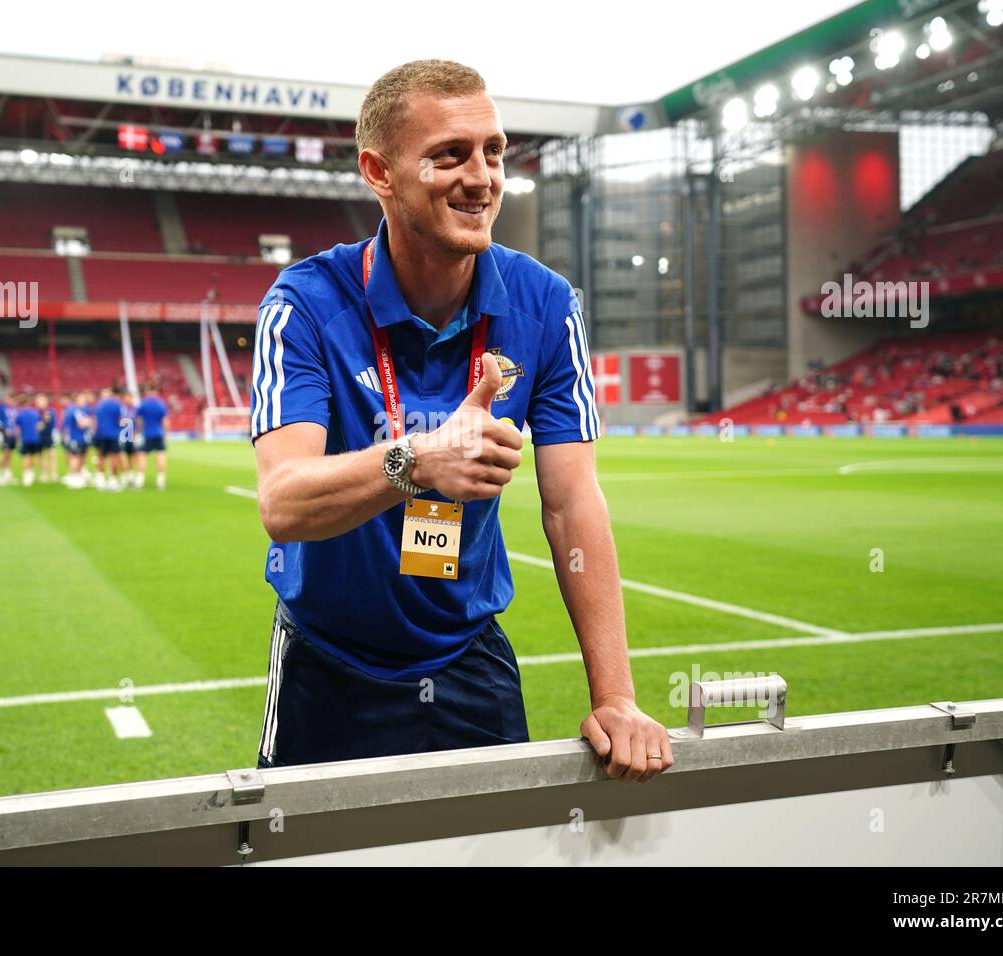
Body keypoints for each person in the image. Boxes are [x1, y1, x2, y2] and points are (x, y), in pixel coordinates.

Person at [249, 60, 672, 783]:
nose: (482, 177)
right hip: (329, 665)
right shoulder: (305, 304)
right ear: (379, 172)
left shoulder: (545, 304)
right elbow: (283, 501)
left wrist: (617, 698)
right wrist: (411, 462)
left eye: (494, 151)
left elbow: (572, 505)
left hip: (470, 659)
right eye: (449, 154)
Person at [135, 382, 168, 490]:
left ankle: (140, 481)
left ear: (147, 391)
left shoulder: (143, 404)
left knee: (142, 457)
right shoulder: (161, 404)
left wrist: (138, 433)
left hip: (146, 434)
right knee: (160, 456)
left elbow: (139, 421)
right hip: (158, 433)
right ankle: (160, 480)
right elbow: (165, 421)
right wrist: (165, 434)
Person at [92, 386, 123, 492]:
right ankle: (113, 480)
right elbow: (120, 420)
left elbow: (95, 421)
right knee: (114, 457)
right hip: (113, 434)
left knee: (101, 457)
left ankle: (100, 480)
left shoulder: (98, 406)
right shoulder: (116, 405)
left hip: (101, 434)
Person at [61, 390, 92, 489]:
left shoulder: (79, 410)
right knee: (75, 457)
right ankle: (73, 477)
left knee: (80, 457)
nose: (84, 400)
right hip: (76, 437)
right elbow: (82, 424)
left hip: (80, 438)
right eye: (81, 398)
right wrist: (89, 421)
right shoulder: (75, 411)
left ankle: (77, 476)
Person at [14, 394, 43, 486]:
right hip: (35, 438)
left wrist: (18, 439)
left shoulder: (20, 414)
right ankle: (30, 474)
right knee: (32, 456)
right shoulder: (35, 413)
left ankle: (26, 476)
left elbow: (18, 429)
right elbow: (39, 426)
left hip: (25, 438)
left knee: (25, 457)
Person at [0, 395, 18, 486]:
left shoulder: (15, 409)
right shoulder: (2, 409)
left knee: (9, 455)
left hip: (13, 435)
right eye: (10, 399)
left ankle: (7, 475)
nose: (12, 401)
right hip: (4, 435)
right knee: (4, 454)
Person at [37, 393, 59, 483]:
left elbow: (52, 422)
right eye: (39, 401)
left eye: (42, 400)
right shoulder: (36, 412)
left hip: (49, 435)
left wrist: (45, 421)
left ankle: (54, 474)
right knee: (41, 456)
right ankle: (44, 474)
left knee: (52, 455)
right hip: (39, 436)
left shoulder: (50, 411)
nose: (40, 403)